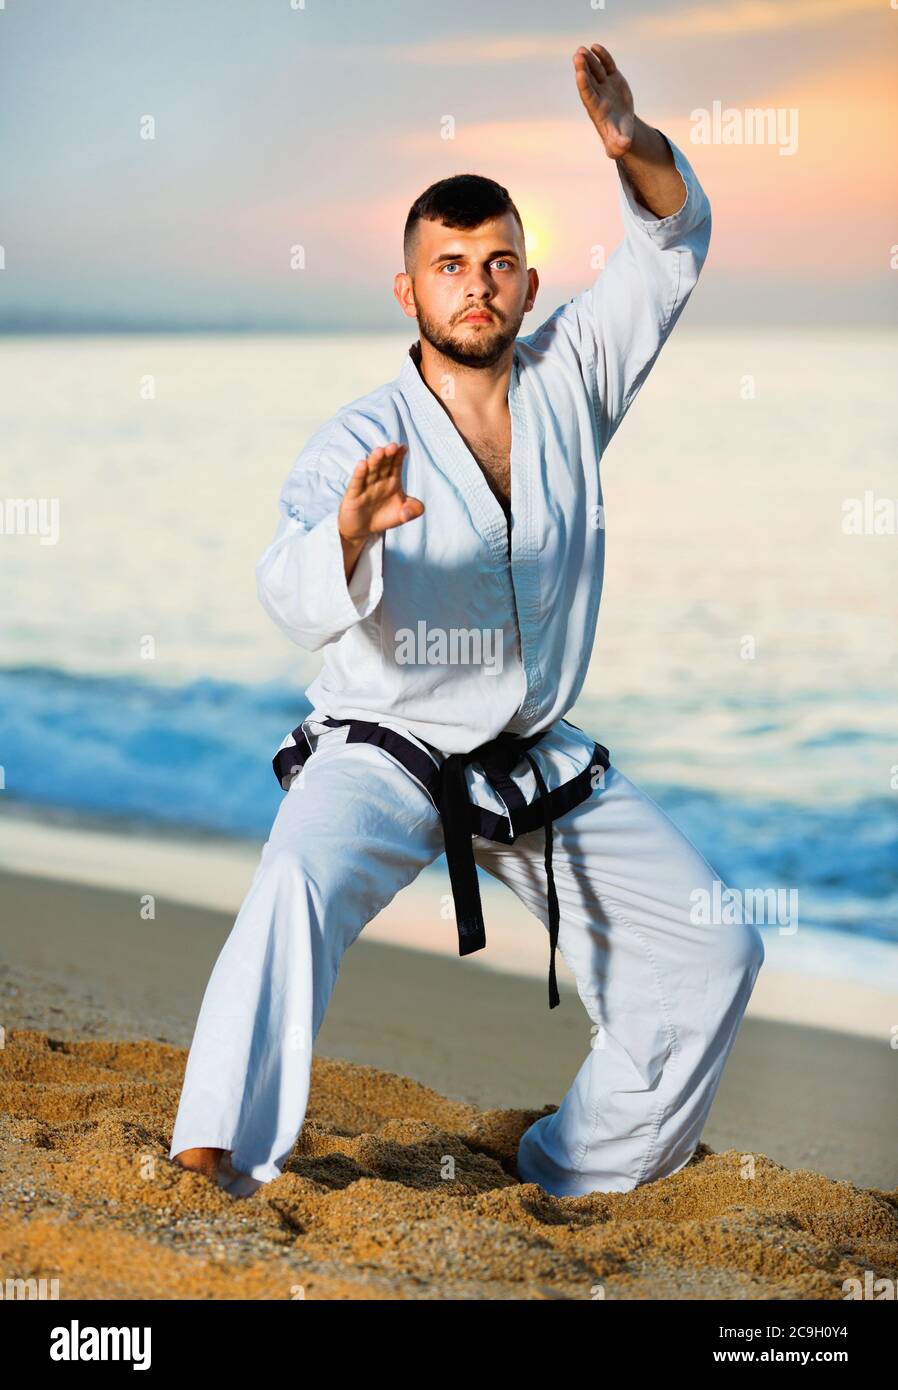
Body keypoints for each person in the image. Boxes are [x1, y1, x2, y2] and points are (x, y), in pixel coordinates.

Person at [169, 43, 764, 1199]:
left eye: (498, 264)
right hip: (385, 743)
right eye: (450, 266)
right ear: (410, 292)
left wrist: (632, 143)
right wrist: (350, 535)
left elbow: (668, 248)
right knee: (294, 881)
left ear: (529, 286)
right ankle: (218, 1159)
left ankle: (574, 1165)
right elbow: (287, 586)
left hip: (533, 752)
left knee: (715, 946)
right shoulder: (357, 440)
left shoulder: (574, 372)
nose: (476, 285)